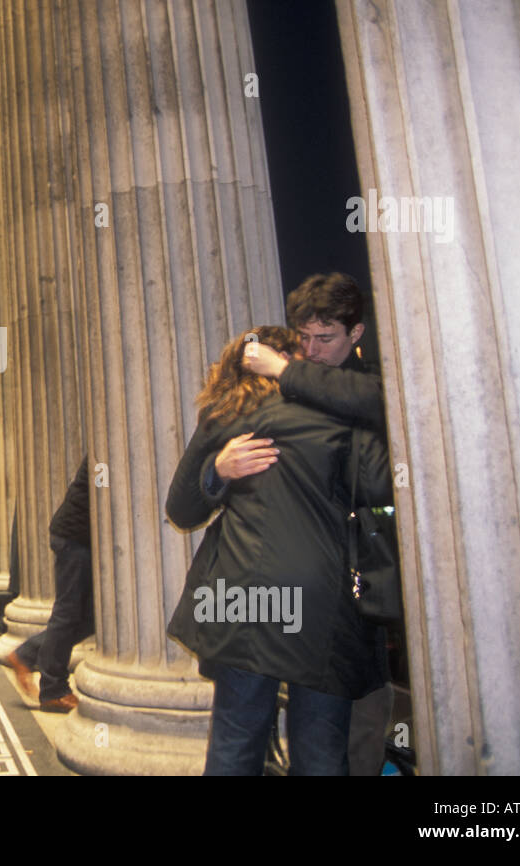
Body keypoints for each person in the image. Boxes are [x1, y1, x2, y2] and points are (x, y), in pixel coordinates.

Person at [165, 326, 391, 775]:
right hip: (322, 598)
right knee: (321, 750)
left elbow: (182, 510)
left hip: (241, 595)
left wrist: (217, 470)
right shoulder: (337, 416)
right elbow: (381, 484)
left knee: (234, 740)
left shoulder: (224, 413)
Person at [233, 273, 396, 776]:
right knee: (314, 740)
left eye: (324, 338)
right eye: (302, 338)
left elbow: (370, 407)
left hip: (364, 586)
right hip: (307, 590)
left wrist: (282, 367)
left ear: (357, 333)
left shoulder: (372, 385)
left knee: (357, 732)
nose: (311, 350)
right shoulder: (301, 388)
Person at [4, 457, 92, 713]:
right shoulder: (106, 448)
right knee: (68, 612)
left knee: (90, 618)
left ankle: (26, 655)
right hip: (74, 538)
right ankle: (53, 689)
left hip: (79, 537)